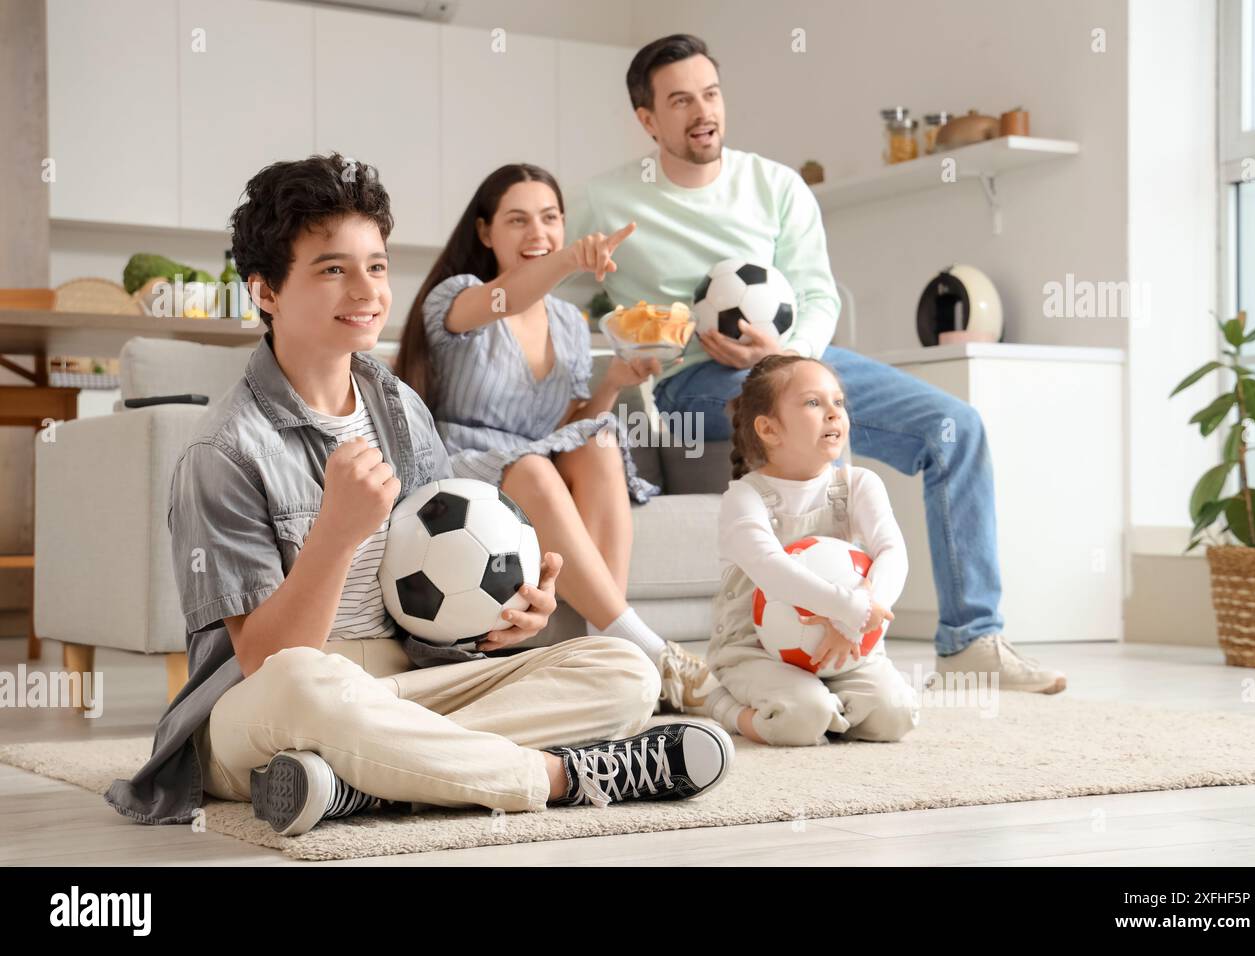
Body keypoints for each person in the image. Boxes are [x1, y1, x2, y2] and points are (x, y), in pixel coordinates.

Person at [104, 153, 732, 837]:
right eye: (332, 269)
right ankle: (561, 777)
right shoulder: (223, 450)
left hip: (405, 684)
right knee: (308, 687)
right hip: (272, 706)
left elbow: (442, 606)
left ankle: (356, 781)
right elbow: (264, 660)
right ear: (266, 292)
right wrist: (337, 536)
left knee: (619, 671)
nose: (367, 291)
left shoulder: (398, 409)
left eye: (375, 266)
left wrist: (505, 622)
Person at [568, 34, 1066, 694]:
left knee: (956, 428)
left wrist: (787, 355)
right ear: (647, 119)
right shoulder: (604, 202)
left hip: (800, 360)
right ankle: (803, 634)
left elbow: (816, 293)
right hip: (696, 382)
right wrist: (610, 311)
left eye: (711, 94)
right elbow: (562, 308)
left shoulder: (775, 185)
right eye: (680, 100)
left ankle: (971, 641)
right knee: (800, 410)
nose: (702, 111)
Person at [394, 163, 714, 713]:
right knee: (537, 467)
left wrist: (614, 379)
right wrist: (569, 260)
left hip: (530, 462)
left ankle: (603, 646)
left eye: (550, 219)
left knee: (600, 441)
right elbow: (509, 299)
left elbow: (563, 431)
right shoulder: (460, 296)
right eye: (517, 220)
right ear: (485, 232)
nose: (537, 233)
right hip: (463, 460)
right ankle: (641, 649)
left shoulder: (569, 321)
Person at [704, 354, 919, 745]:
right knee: (801, 720)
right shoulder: (745, 498)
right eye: (814, 403)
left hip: (844, 644)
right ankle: (719, 703)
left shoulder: (859, 484)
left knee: (896, 716)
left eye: (838, 402)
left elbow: (893, 552)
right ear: (769, 429)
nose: (834, 413)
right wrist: (847, 608)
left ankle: (831, 700)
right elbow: (772, 569)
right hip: (756, 651)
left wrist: (857, 618)